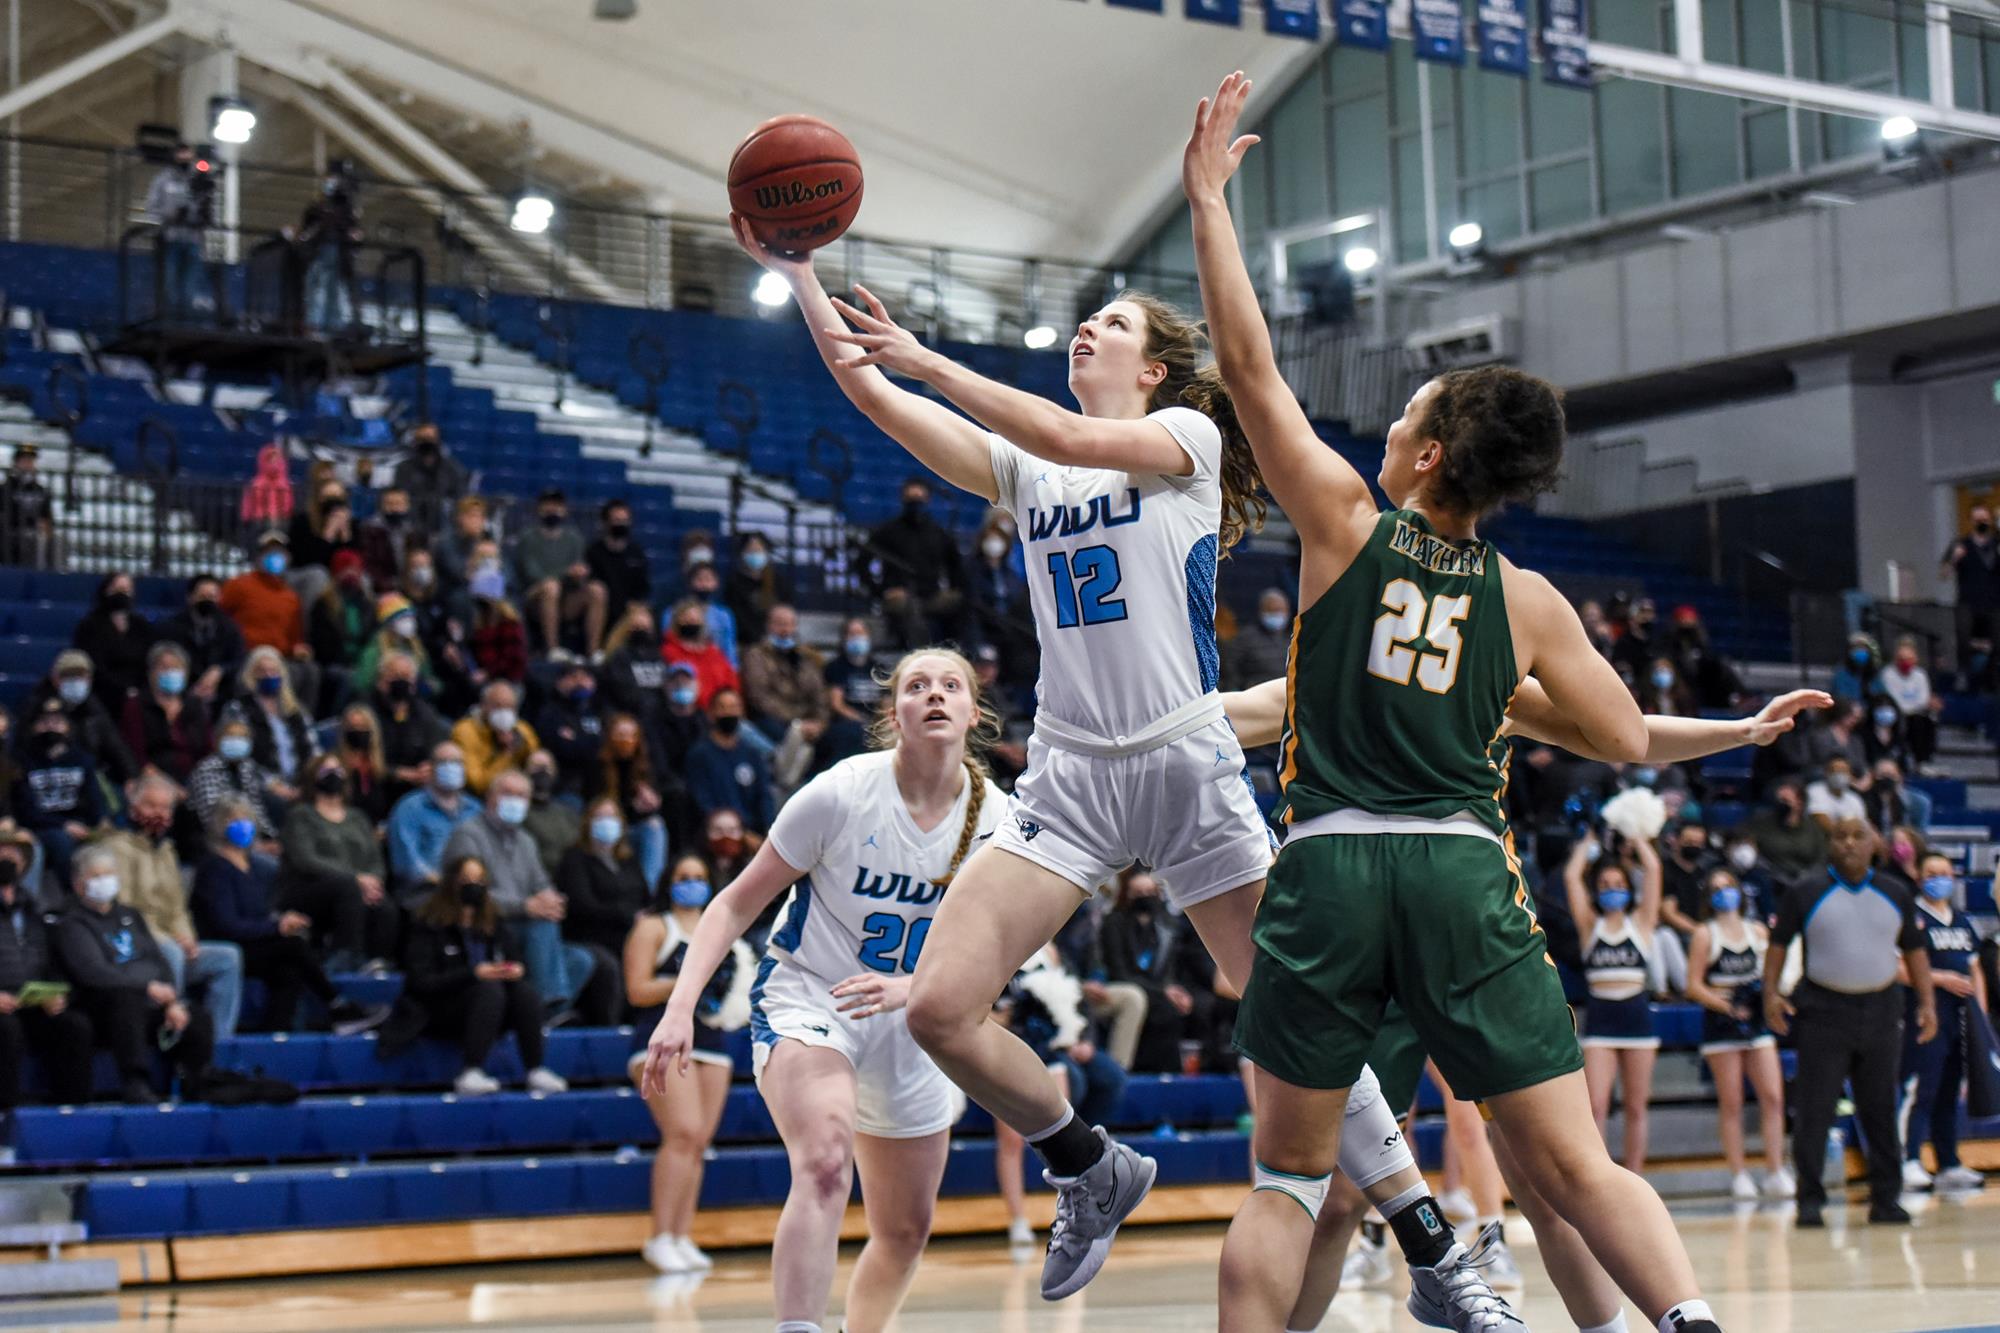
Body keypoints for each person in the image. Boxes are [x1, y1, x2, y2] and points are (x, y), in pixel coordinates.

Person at [1182, 74, 1724, 1333]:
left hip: (1327, 870)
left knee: (1286, 1179)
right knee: (1572, 1168)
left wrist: (1209, 200)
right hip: (1460, 872)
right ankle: (1688, 1321)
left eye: (1408, 414)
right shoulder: (1527, 599)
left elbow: (1246, 364)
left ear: (1428, 454)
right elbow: (1626, 739)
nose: (1388, 423)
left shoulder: (1342, 526)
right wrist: (1500, 704)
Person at [643, 648, 1004, 1331]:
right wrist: (679, 1007)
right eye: (916, 686)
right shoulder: (841, 791)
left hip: (916, 1018)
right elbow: (731, 903)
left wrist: (915, 988)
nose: (933, 695)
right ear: (892, 712)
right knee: (827, 1158)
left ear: (972, 712)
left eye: (950, 685)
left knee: (905, 1229)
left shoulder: (997, 822)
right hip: (814, 997)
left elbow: (1009, 948)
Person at [1767, 817, 1939, 1228]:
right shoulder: (1804, 891)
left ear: (1873, 844)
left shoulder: (1896, 891)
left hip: (1882, 1012)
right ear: (1830, 844)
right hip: (1823, 1014)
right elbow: (1778, 945)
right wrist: (1770, 994)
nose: (1848, 843)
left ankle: (1886, 1199)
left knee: (1880, 1107)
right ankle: (1810, 1199)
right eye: (1840, 836)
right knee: (1815, 1109)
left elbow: (1915, 952)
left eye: (1857, 836)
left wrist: (1927, 1003)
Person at [626, 852, 751, 1273]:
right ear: (668, 880)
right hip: (660, 1039)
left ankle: (681, 1235)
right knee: (682, 1132)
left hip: (712, 1041)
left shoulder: (724, 931)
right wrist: (684, 983)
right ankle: (659, 1236)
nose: (692, 882)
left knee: (699, 1141)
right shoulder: (652, 926)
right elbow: (636, 990)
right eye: (683, 875)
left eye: (699, 876)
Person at [193, 798, 385, 1035]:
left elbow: (263, 912)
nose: (242, 825)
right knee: (292, 947)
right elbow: (226, 925)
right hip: (226, 946)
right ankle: (337, 1006)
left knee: (289, 966)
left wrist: (282, 921)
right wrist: (276, 927)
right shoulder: (215, 869)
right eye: (234, 820)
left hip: (254, 942)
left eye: (246, 819)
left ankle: (277, 1032)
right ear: (219, 826)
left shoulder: (257, 868)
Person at [57, 843, 214, 1104]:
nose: (104, 881)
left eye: (108, 874)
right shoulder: (72, 922)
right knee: (126, 999)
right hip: (101, 1009)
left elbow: (159, 962)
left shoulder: (130, 915)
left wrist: (171, 1001)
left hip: (145, 1002)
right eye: (96, 876)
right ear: (78, 883)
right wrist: (146, 988)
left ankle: (198, 1082)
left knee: (197, 1016)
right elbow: (94, 973)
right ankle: (135, 1083)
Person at [442, 770, 606, 1020]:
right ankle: (542, 1006)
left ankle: (544, 1016)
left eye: (521, 796)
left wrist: (551, 901)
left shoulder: (526, 841)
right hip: (483, 926)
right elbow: (466, 896)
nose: (514, 801)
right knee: (541, 926)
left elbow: (541, 883)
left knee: (582, 959)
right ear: (489, 797)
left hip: (520, 925)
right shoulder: (468, 834)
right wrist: (526, 906)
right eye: (507, 793)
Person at [398, 856, 567, 1097]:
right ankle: (471, 1070)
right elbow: (420, 982)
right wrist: (474, 974)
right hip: (438, 1009)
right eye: (466, 880)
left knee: (524, 992)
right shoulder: (428, 924)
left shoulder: (493, 921)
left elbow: (514, 959)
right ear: (451, 883)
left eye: (479, 880)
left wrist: (513, 969)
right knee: (488, 988)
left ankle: (535, 1069)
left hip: (489, 1008)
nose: (473, 886)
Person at [102, 772, 244, 1039]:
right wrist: (170, 939)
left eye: (165, 807)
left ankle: (217, 1041)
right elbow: (123, 909)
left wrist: (188, 938)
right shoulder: (117, 847)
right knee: (171, 953)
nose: (159, 813)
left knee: (227, 958)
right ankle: (171, 1032)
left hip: (171, 939)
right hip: (138, 943)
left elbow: (178, 907)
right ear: (133, 807)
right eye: (151, 806)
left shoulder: (167, 850)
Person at [1684, 863, 1793, 1201]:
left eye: (1728, 886)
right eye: (1716, 890)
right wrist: (1727, 1005)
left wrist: (1772, 997)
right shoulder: (1705, 934)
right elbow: (1693, 986)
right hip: (1722, 1023)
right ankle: (1739, 1174)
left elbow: (1772, 975)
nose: (1724, 894)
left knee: (1773, 1098)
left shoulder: (1757, 931)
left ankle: (1775, 1170)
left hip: (1757, 1022)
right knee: (1731, 1101)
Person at [1565, 834, 1664, 1174]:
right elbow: (1571, 877)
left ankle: (1636, 1176)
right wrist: (1586, 845)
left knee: (1636, 1107)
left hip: (1637, 1018)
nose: (1612, 888)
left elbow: (1653, 869)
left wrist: (1635, 833)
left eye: (1618, 883)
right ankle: (1602, 1175)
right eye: (1605, 883)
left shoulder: (1642, 923)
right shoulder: (1590, 925)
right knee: (1596, 1106)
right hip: (1601, 1021)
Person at [1898, 852, 1988, 1194]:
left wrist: (1979, 1016)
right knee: (1921, 1089)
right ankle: (1908, 1160)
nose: (1940, 879)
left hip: (1960, 1019)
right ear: (1919, 879)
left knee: (1949, 1090)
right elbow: (1898, 970)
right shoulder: (1911, 919)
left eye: (1946, 873)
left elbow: (1975, 970)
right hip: (1924, 1016)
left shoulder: (1964, 921)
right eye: (1932, 873)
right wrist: (1939, 979)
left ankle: (1948, 1161)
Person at [0, 823, 93, 1110]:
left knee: (74, 1025)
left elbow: (53, 963)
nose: (7, 857)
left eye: (14, 852)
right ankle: (6, 1120)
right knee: (6, 1029)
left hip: (31, 1001)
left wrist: (57, 993)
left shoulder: (35, 910)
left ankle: (72, 1114)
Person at [278, 755, 400, 973]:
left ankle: (377, 965)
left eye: (338, 770)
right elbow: (305, 859)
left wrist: (373, 881)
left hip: (357, 887)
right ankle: (345, 958)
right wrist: (356, 879)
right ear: (313, 777)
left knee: (385, 907)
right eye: (326, 770)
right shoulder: (301, 815)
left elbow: (375, 859)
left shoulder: (358, 818)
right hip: (310, 888)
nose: (333, 775)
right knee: (346, 888)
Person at [558, 797, 650, 992]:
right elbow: (582, 905)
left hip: (631, 933)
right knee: (614, 964)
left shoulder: (628, 860)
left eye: (611, 817)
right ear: (587, 823)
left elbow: (645, 897)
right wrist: (627, 915)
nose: (606, 822)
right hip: (592, 936)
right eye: (599, 817)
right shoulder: (575, 858)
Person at [12, 699, 105, 888]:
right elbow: (26, 811)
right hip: (40, 827)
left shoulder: (82, 759)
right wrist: (64, 825)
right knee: (60, 841)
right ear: (33, 727)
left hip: (78, 824)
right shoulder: (21, 762)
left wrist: (100, 822)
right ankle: (72, 897)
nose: (50, 728)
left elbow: (95, 800)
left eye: (57, 722)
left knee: (111, 843)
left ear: (68, 727)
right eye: (44, 723)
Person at [864, 477, 965, 651]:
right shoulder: (889, 530)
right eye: (911, 500)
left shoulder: (937, 532)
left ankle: (959, 650)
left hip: (931, 595)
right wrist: (880, 591)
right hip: (900, 595)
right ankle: (920, 651)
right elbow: (862, 561)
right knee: (909, 606)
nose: (915, 505)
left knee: (961, 601)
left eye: (919, 500)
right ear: (903, 499)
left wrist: (952, 588)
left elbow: (955, 565)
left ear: (927, 500)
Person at [514, 489, 608, 661]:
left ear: (564, 509)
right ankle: (553, 649)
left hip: (566, 597)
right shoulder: (528, 537)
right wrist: (565, 573)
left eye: (557, 505)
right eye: (548, 505)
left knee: (597, 589)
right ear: (539, 508)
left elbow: (578, 571)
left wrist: (580, 575)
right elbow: (532, 574)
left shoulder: (574, 538)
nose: (552, 509)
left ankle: (593, 652)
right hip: (534, 597)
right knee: (551, 587)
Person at [385, 740, 480, 904]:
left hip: (470, 890)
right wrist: (445, 882)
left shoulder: (476, 809)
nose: (451, 767)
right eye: (444, 762)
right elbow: (406, 864)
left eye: (457, 762)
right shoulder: (409, 807)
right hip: (424, 891)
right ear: (431, 768)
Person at [586, 714, 670, 891]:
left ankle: (650, 890)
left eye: (631, 735)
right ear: (609, 737)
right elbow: (594, 805)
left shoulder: (645, 766)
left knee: (655, 826)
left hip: (633, 826)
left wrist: (649, 805)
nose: (626, 741)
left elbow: (646, 810)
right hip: (607, 827)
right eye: (620, 735)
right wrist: (629, 809)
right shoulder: (597, 765)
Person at [29, 650, 137, 788]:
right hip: (48, 775)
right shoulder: (39, 706)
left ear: (90, 680)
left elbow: (116, 745)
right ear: (55, 679)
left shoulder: (94, 708)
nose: (75, 681)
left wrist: (132, 777)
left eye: (80, 676)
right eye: (69, 675)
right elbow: (24, 745)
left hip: (89, 774)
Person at [366, 645, 449, 805]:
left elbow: (436, 749)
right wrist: (399, 773)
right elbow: (360, 758)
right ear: (381, 680)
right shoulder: (367, 710)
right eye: (395, 675)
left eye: (406, 676)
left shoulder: (424, 712)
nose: (401, 681)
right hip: (379, 788)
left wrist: (429, 767)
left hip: (417, 790)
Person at [684, 689, 775, 833]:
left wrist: (768, 830)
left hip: (754, 833)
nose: (728, 713)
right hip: (717, 833)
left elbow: (764, 797)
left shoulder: (752, 754)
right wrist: (739, 832)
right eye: (722, 708)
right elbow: (702, 802)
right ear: (711, 714)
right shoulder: (699, 755)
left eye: (734, 708)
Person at [119, 642, 210, 786]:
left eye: (176, 668)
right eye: (164, 667)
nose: (171, 672)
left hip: (195, 780)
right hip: (151, 780)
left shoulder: (195, 705)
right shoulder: (136, 705)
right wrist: (168, 787)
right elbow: (135, 752)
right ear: (151, 672)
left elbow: (206, 749)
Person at [741, 604, 830, 747]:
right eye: (780, 624)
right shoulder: (755, 655)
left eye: (790, 624)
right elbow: (759, 696)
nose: (785, 630)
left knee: (841, 734)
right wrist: (796, 723)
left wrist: (819, 722)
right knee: (777, 732)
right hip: (775, 719)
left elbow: (820, 696)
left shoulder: (806, 657)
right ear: (768, 626)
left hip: (808, 722)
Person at [238, 646, 318, 790]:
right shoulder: (240, 709)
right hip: (261, 786)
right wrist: (271, 784)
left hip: (300, 784)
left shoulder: (296, 711)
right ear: (251, 675)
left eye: (273, 671)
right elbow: (242, 758)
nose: (269, 676)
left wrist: (308, 782)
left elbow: (313, 749)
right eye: (262, 671)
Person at [222, 533, 309, 664]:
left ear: (288, 558)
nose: (275, 556)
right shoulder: (239, 585)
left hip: (280, 660)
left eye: (280, 552)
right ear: (259, 557)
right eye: (269, 552)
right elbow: (221, 618)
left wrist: (298, 649)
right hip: (247, 657)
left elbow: (295, 638)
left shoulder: (291, 597)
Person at [71, 574, 155, 709]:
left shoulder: (141, 626)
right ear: (105, 591)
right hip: (101, 693)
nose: (122, 595)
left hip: (138, 694)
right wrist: (122, 690)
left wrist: (136, 689)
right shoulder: (90, 626)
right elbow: (92, 664)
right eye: (117, 589)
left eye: (126, 590)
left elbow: (148, 661)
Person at [160, 575, 245, 706]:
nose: (208, 601)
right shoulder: (172, 627)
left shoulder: (229, 627)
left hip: (221, 693)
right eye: (202, 596)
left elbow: (238, 659)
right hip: (183, 691)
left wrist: (220, 670)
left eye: (212, 597)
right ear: (190, 597)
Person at [452, 680, 538, 797]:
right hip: (476, 797)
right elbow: (477, 785)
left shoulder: (521, 728)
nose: (504, 712)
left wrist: (521, 744)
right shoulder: (465, 730)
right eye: (498, 706)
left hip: (514, 794)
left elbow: (536, 759)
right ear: (484, 705)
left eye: (509, 707)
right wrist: (506, 753)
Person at [1939, 505, 1999, 673]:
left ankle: (1992, 677)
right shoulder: (1961, 543)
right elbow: (1943, 574)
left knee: (1997, 640)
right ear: (1971, 522)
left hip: (1994, 602)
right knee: (1963, 638)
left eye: (1985, 519)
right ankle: (1963, 674)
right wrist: (1954, 559)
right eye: (1978, 519)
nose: (1982, 522)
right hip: (1968, 601)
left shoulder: (1996, 543)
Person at [534, 662, 607, 797]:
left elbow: (604, 748)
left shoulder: (601, 711)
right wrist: (587, 743)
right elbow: (561, 748)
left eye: (585, 677)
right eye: (573, 677)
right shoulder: (549, 713)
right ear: (559, 682)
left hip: (599, 783)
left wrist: (576, 740)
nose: (580, 682)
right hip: (564, 786)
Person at [822, 618, 883, 762]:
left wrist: (879, 721)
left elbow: (886, 702)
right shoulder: (836, 667)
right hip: (846, 721)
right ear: (844, 639)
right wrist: (862, 720)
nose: (857, 638)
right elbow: (837, 704)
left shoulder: (879, 668)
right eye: (852, 634)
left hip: (874, 721)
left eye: (861, 633)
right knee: (856, 733)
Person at [391, 424, 469, 536]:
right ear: (415, 441)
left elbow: (460, 497)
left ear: (438, 440)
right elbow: (399, 497)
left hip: (444, 524)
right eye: (422, 439)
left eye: (430, 439)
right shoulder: (403, 468)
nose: (427, 443)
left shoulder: (452, 468)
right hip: (411, 525)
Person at [1745, 777, 1828, 881]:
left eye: (1785, 801)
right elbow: (1747, 842)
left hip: (1806, 881)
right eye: (1778, 800)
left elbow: (1821, 857)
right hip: (1772, 879)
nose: (1781, 805)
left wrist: (1808, 876)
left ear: (1799, 803)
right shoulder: (1762, 824)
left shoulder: (1812, 827)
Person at [1875, 638, 1939, 772]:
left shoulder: (1920, 675)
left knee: (1926, 721)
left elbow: (1924, 698)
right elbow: (1892, 698)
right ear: (1896, 659)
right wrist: (1909, 708)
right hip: (1896, 713)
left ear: (1915, 659)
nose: (1905, 662)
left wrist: (1913, 708)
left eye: (1909, 658)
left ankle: (1922, 761)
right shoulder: (1888, 674)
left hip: (1917, 714)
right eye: (1902, 659)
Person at [585, 499, 652, 626]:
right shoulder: (593, 552)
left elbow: (643, 588)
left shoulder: (636, 553)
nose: (621, 525)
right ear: (606, 522)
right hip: (601, 611)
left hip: (628, 613)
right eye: (616, 520)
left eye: (624, 520)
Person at [661, 598, 738, 709]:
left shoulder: (714, 652)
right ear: (676, 621)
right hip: (689, 712)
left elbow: (731, 681)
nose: (692, 621)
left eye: (696, 618)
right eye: (686, 617)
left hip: (720, 711)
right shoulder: (668, 652)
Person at [521, 749, 583, 883]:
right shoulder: (520, 812)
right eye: (536, 767)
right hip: (539, 878)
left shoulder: (567, 811)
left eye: (546, 767)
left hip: (572, 877)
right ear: (526, 772)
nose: (542, 772)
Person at [332, 704, 393, 825]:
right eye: (353, 727)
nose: (358, 732)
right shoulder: (335, 763)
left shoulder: (379, 764)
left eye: (363, 727)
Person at [725, 531, 794, 635]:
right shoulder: (734, 582)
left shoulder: (778, 581)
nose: (754, 554)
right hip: (745, 639)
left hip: (775, 637)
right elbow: (734, 614)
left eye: (758, 550)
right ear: (742, 554)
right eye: (750, 550)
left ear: (766, 552)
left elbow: (786, 609)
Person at [1, 442, 55, 567]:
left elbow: (47, 519)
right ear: (16, 463)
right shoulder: (5, 488)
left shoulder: (41, 490)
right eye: (24, 460)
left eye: (31, 461)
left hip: (33, 541)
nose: (28, 464)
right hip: (9, 540)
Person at [355, 486, 416, 590]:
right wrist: (389, 585)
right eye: (390, 504)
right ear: (382, 506)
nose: (394, 509)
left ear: (407, 506)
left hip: (409, 585)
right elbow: (369, 565)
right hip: (382, 587)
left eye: (398, 504)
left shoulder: (413, 531)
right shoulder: (370, 530)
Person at [1806, 756, 1866, 829]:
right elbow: (1820, 820)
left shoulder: (1854, 798)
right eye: (1835, 770)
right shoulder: (1814, 790)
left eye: (1843, 770)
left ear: (1850, 775)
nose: (1839, 774)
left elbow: (1864, 825)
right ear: (1826, 772)